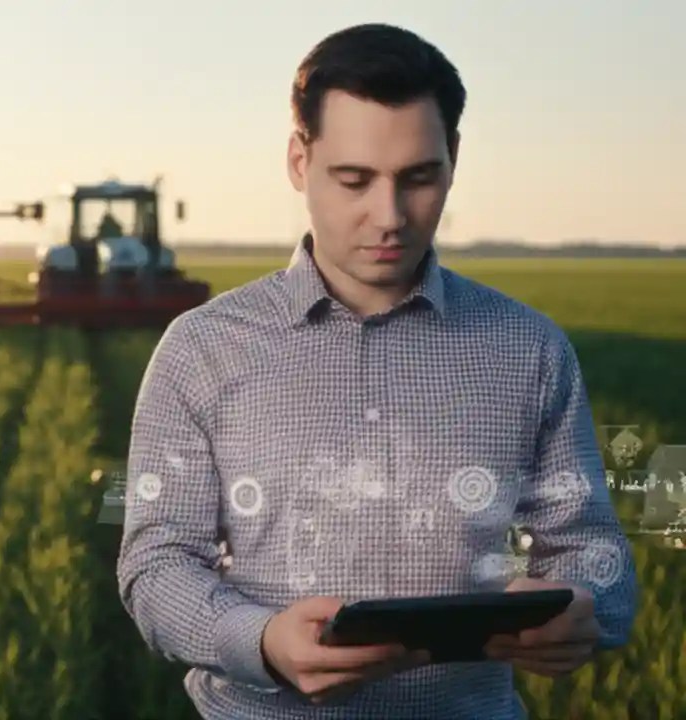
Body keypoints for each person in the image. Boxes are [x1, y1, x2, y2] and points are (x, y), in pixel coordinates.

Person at [115, 22, 636, 719]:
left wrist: (584, 603)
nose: (389, 216)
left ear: (454, 158)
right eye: (354, 180)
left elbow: (593, 551)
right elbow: (155, 566)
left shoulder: (530, 349)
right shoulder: (201, 350)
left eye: (419, 178)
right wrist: (261, 641)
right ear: (299, 161)